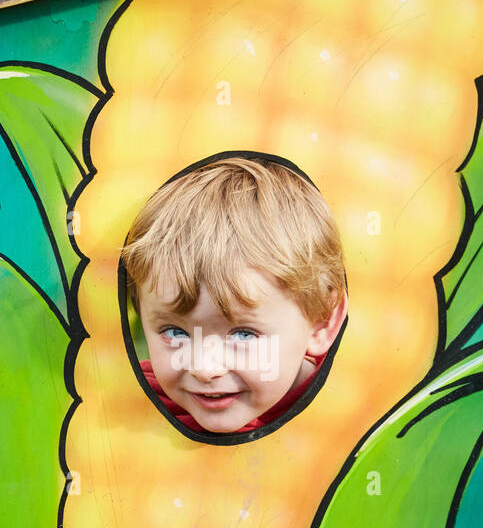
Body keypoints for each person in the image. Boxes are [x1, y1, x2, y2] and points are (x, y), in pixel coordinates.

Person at [120, 155, 348, 434]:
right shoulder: (125, 402)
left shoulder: (348, 415)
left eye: (243, 334)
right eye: (176, 332)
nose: (204, 369)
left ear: (321, 322)